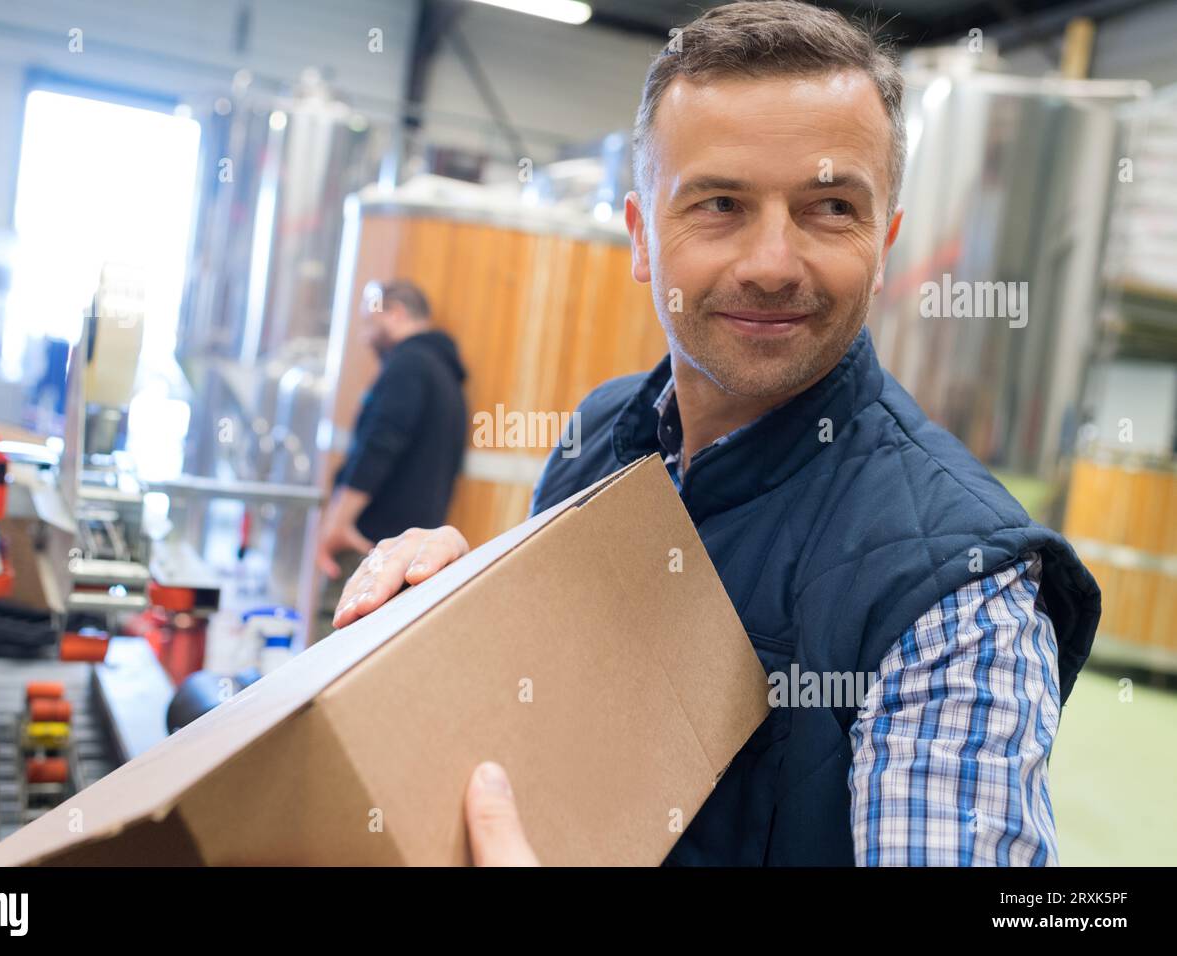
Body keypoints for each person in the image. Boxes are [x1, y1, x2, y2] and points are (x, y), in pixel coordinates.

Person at [337, 1, 1101, 867]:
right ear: (640, 237)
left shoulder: (960, 594)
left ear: (883, 244)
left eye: (828, 207)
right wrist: (445, 635)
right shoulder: (596, 440)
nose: (772, 263)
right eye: (721, 203)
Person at [313, 279, 467, 642]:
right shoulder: (445, 374)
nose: (365, 337)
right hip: (408, 558)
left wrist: (338, 523)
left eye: (370, 322)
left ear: (395, 313)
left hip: (370, 548)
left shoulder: (408, 366)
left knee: (331, 655)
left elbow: (379, 445)